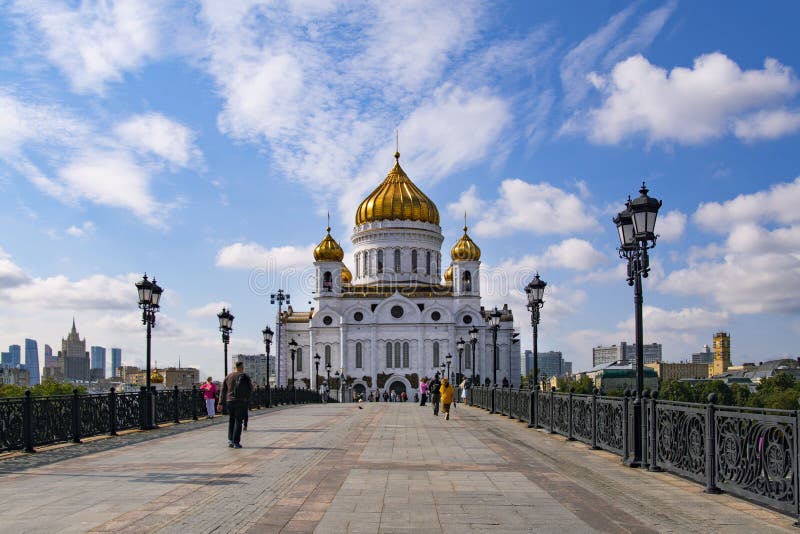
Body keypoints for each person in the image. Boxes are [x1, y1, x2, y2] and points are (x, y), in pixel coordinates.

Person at [218, 361, 252, 449]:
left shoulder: (228, 376)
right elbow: (251, 388)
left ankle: (230, 440)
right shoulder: (244, 376)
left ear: (235, 367)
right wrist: (246, 398)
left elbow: (223, 390)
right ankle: (236, 442)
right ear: (241, 367)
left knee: (231, 420)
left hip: (229, 401)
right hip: (240, 401)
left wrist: (220, 403)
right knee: (238, 421)